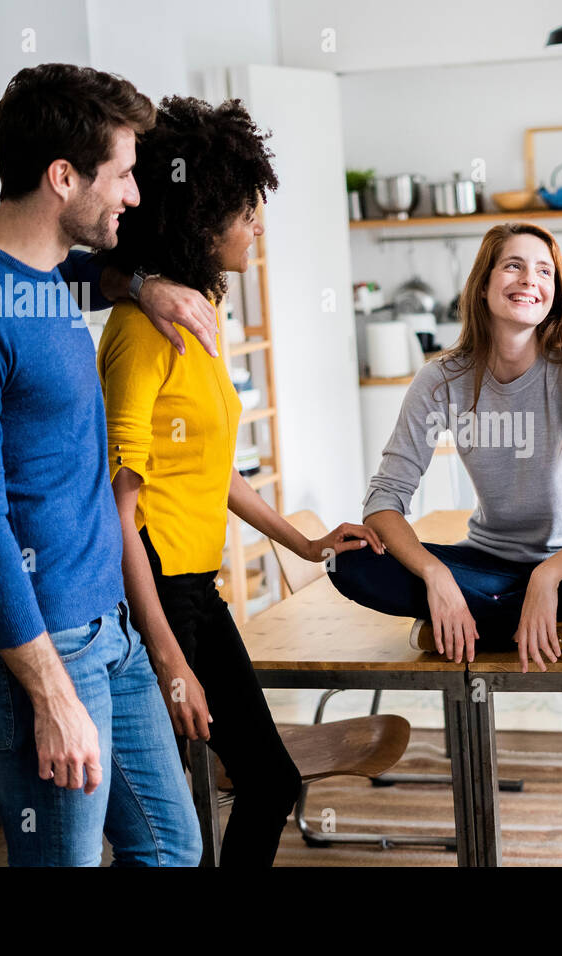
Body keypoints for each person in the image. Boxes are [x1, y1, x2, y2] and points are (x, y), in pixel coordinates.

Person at [0, 64, 216, 866]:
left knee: (172, 850)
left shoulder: (36, 277)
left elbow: (84, 273)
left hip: (105, 625)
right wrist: (49, 692)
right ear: (61, 177)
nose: (135, 196)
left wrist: (143, 286)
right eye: (122, 175)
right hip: (41, 644)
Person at [97, 95, 381, 866]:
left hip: (194, 585)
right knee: (172, 824)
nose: (258, 226)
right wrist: (168, 657)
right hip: (153, 591)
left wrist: (308, 541)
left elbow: (212, 469)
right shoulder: (139, 334)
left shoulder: (196, 318)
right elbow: (120, 512)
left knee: (267, 782)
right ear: (200, 218)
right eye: (245, 211)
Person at [329, 222, 562, 673]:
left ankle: (466, 627)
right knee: (348, 562)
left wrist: (549, 575)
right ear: (483, 285)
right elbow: (385, 498)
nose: (529, 280)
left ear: (555, 293)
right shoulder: (442, 380)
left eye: (544, 272)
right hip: (483, 564)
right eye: (514, 266)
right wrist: (435, 575)